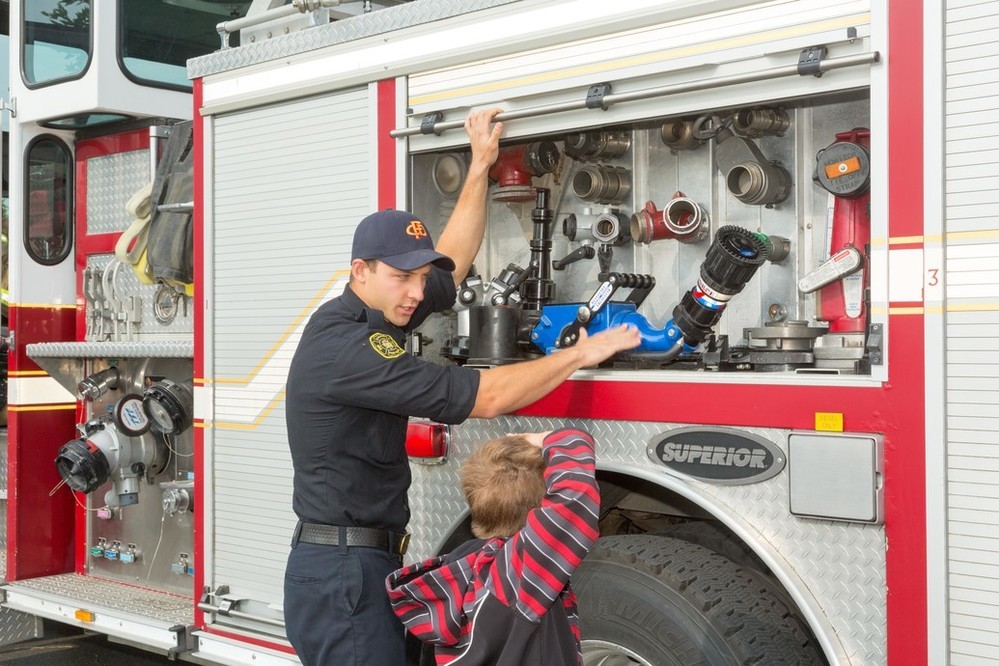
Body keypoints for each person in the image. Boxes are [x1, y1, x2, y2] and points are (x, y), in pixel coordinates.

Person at [283, 108, 640, 666]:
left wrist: (480, 167)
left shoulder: (385, 308)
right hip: (339, 576)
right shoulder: (343, 347)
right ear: (360, 272)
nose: (417, 292)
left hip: (363, 563)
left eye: (419, 278)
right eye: (403, 277)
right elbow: (487, 397)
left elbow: (455, 260)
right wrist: (579, 354)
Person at [386, 428, 599, 665]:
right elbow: (576, 496)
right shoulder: (519, 575)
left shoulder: (457, 568)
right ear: (540, 510)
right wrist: (547, 438)